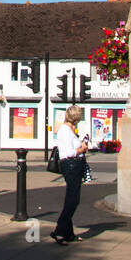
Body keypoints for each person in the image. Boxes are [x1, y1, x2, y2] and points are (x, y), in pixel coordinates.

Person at [51, 105, 89, 245]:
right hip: (70, 166)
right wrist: (81, 149)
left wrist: (81, 145)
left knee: (71, 199)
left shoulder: (69, 130)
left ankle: (68, 234)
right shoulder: (65, 131)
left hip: (75, 166)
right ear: (76, 117)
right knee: (73, 200)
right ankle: (59, 231)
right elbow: (68, 153)